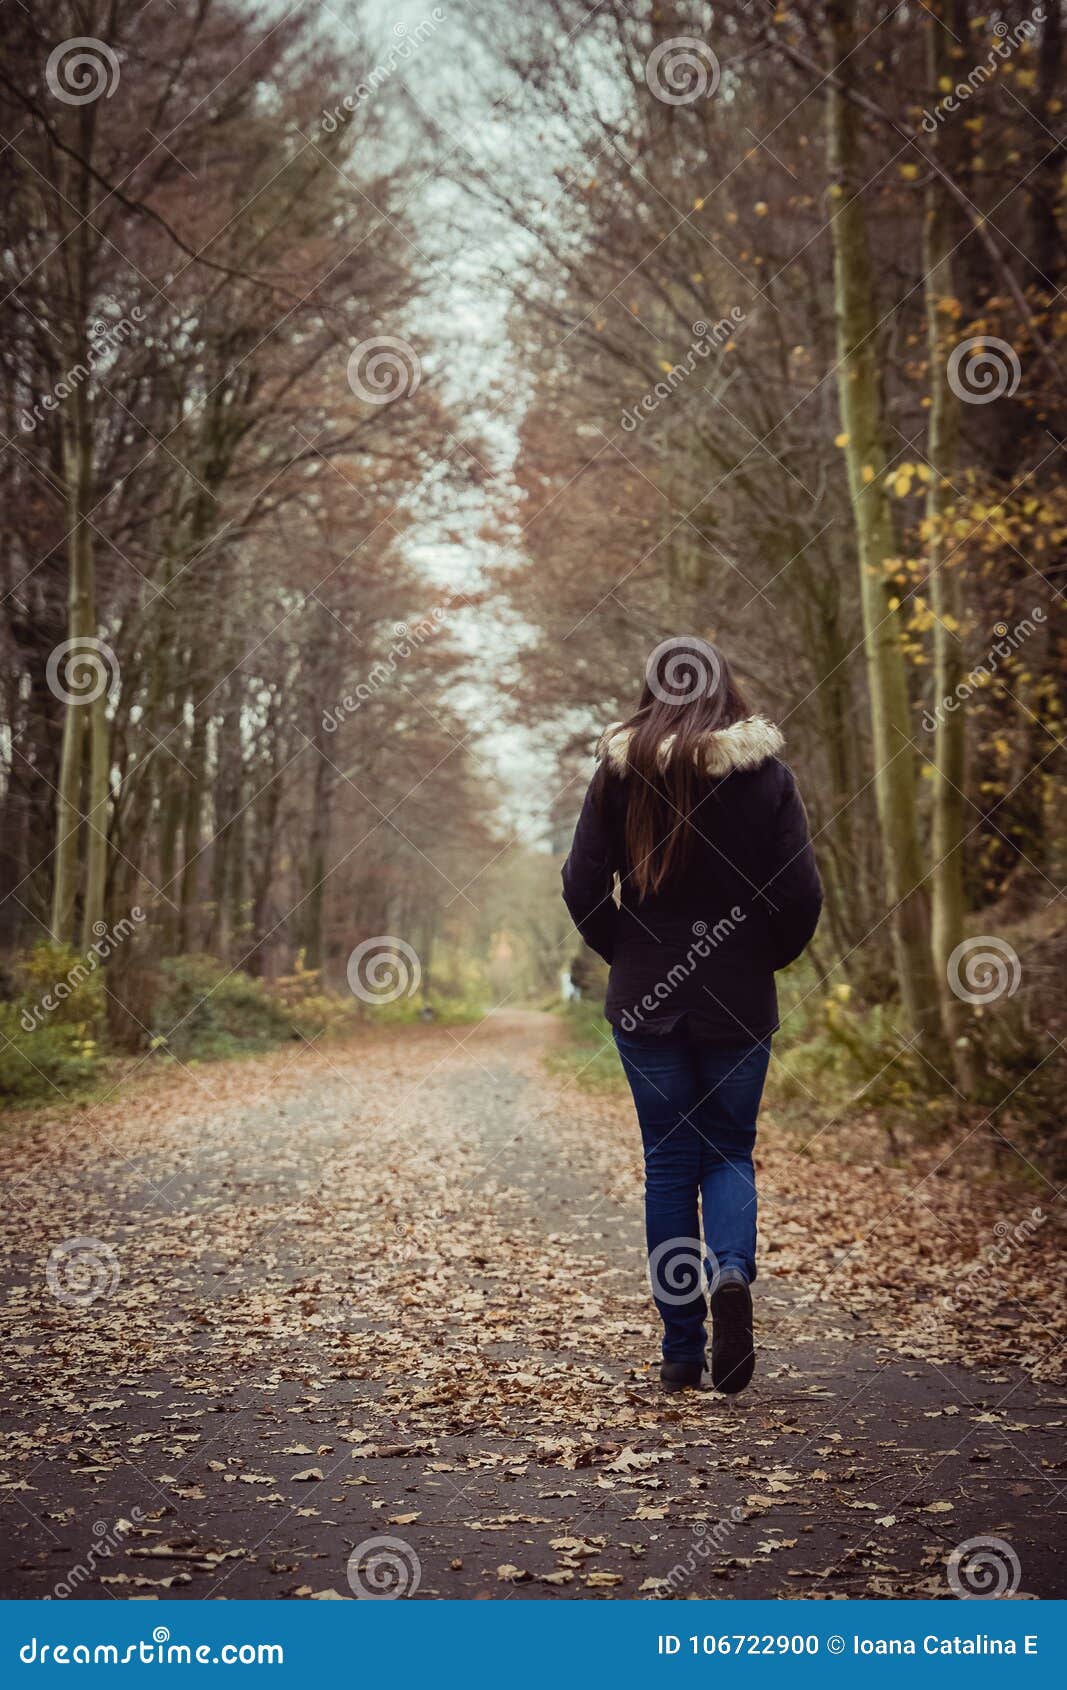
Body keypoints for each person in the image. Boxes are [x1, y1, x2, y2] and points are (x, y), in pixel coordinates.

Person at [561, 638, 822, 1395]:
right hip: (739, 997)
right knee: (730, 1151)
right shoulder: (766, 777)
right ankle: (731, 1272)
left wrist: (629, 952)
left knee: (670, 1164)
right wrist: (761, 958)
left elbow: (581, 885)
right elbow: (800, 894)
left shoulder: (619, 775)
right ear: (726, 690)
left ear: (656, 691)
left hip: (646, 998)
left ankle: (680, 1351)